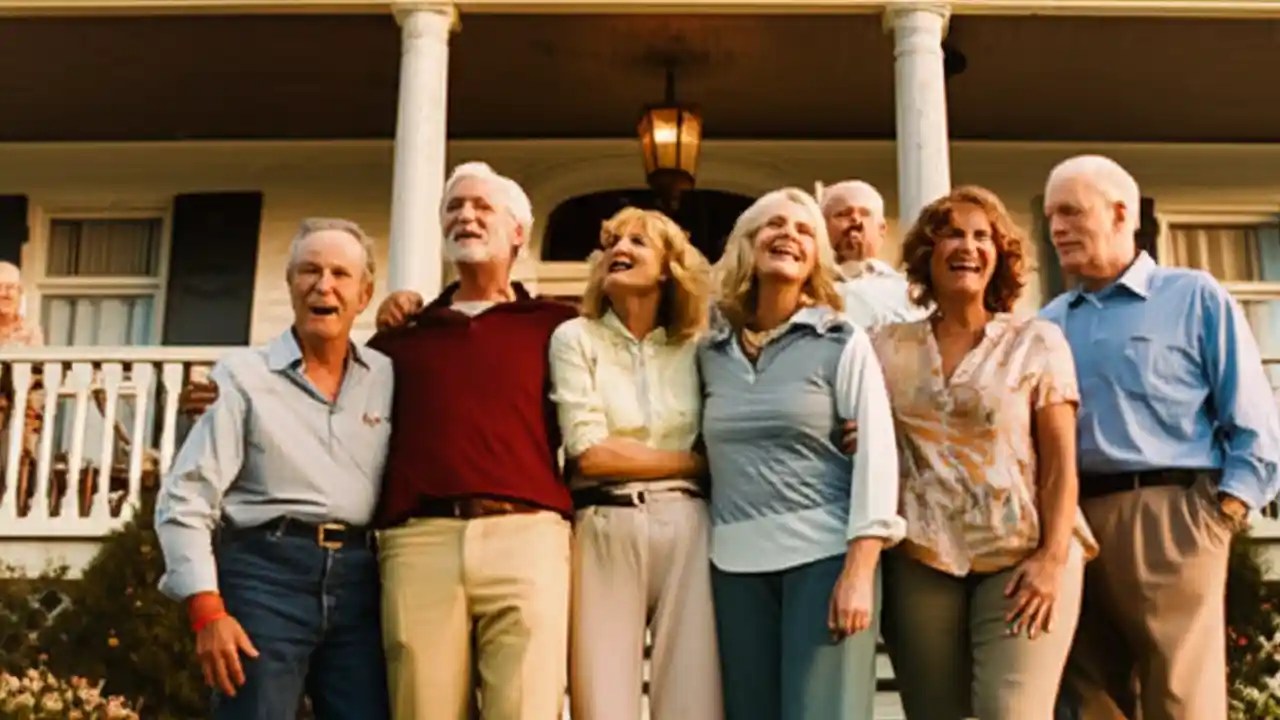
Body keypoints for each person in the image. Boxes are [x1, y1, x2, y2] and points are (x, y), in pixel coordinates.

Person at [1040, 154, 1280, 720]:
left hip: (1172, 516)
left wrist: (1223, 511)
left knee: (1179, 696)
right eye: (1050, 217)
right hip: (1070, 522)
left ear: (1121, 213)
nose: (1057, 229)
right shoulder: (1049, 322)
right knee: (1086, 694)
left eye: (1071, 212)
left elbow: (1253, 417)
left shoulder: (1193, 296)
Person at [871, 186, 1097, 720]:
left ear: (999, 256)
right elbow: (867, 438)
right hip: (923, 555)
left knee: (1010, 711)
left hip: (1023, 553)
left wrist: (1051, 559)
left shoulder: (1037, 341)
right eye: (952, 234)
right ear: (928, 252)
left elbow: (1060, 464)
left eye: (982, 237)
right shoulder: (885, 345)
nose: (967, 247)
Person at [154, 218, 393, 719]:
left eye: (340, 274)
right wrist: (206, 609)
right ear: (289, 284)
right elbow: (187, 497)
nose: (323, 285)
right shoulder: (241, 376)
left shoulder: (387, 377)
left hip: (361, 580)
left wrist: (412, 308)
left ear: (365, 294)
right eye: (309, 270)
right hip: (265, 575)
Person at [368, 161, 578, 720]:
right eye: (454, 207)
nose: (466, 216)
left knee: (527, 709)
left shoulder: (557, 326)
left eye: (482, 206)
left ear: (518, 232)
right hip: (421, 542)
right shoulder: (404, 338)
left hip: (529, 537)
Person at [698, 186, 904, 720]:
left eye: (805, 230)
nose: (788, 235)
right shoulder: (710, 350)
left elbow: (877, 457)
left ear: (816, 257)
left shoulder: (841, 340)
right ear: (747, 243)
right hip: (734, 565)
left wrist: (859, 572)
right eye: (774, 225)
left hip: (825, 560)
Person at [548, 206, 722, 720]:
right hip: (604, 523)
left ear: (669, 268)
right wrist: (694, 463)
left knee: (693, 702)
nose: (618, 250)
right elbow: (590, 453)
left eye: (637, 242)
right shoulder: (575, 338)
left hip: (689, 527)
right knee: (602, 702)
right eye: (611, 243)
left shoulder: (699, 347)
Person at [818, 180, 927, 329]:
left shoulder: (906, 290)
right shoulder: (808, 290)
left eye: (865, 214)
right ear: (821, 228)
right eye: (842, 214)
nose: (855, 220)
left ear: (881, 230)